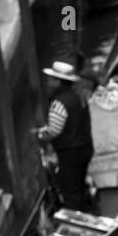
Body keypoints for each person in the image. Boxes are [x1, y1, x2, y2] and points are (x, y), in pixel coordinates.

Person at [34, 60, 95, 212]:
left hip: (70, 153)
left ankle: (75, 223)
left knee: (70, 190)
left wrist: (39, 134)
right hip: (86, 148)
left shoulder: (59, 103)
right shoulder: (79, 97)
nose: (48, 83)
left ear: (58, 82)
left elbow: (54, 130)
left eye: (51, 79)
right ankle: (84, 210)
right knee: (79, 185)